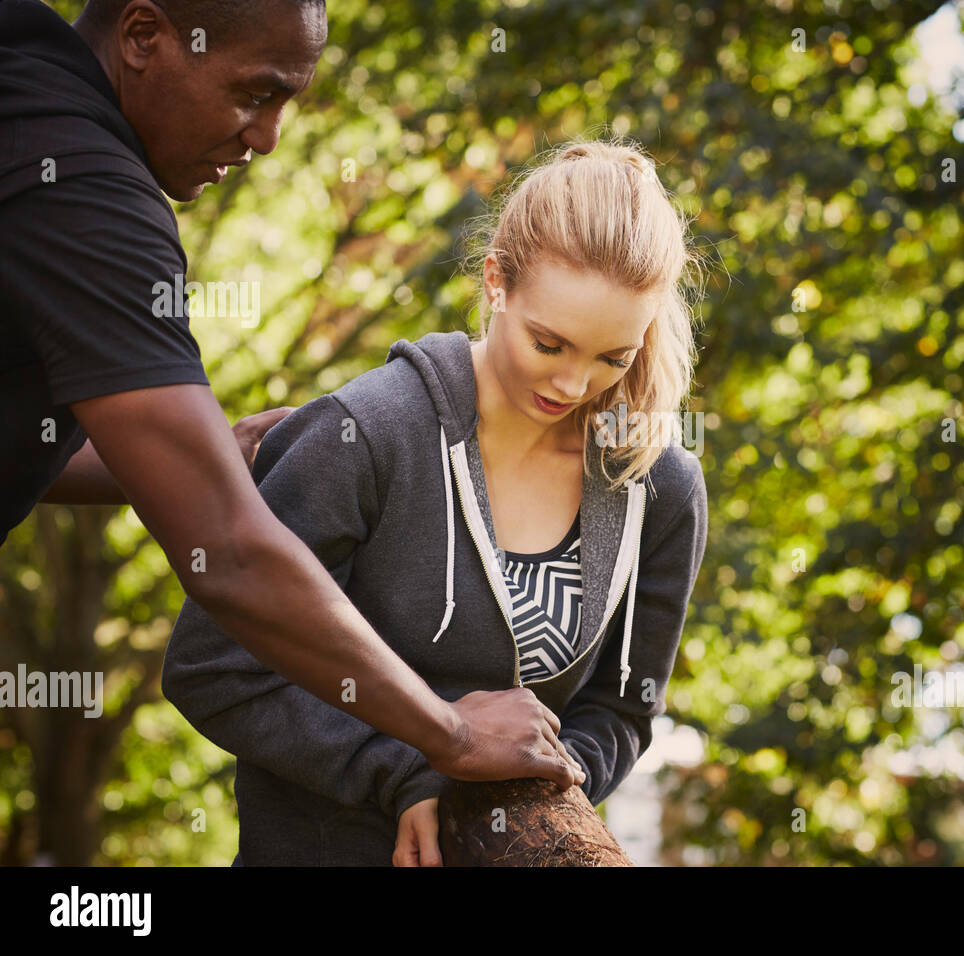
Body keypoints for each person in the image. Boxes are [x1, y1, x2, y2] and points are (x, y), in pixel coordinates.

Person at [0, 0, 582, 794]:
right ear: (143, 38)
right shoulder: (86, 195)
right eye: (254, 94)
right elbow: (228, 553)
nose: (267, 138)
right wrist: (449, 732)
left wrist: (217, 457)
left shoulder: (23, 83)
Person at [161, 138, 711, 865]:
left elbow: (620, 707)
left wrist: (509, 812)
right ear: (495, 283)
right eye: (550, 344)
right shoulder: (366, 433)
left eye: (614, 357)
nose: (576, 385)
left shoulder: (662, 487)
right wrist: (408, 777)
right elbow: (213, 667)